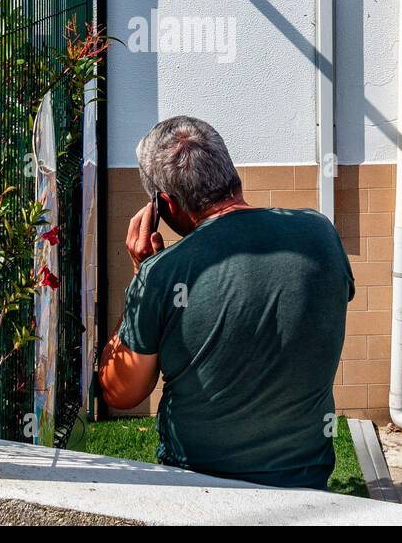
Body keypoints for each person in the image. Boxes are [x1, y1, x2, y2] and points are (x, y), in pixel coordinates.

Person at [97, 115, 354, 490]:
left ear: (165, 205)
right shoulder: (320, 235)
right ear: (233, 175)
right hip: (307, 482)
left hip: (198, 487)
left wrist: (142, 276)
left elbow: (120, 391)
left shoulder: (162, 273)